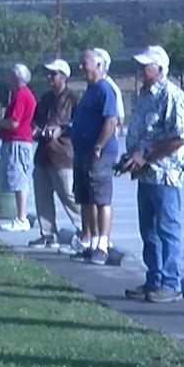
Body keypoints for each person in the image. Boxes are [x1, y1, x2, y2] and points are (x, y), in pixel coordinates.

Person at [120, 45, 184, 303]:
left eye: (145, 66)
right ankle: (154, 279)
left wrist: (146, 155)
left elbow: (179, 138)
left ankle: (171, 284)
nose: (140, 70)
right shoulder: (145, 95)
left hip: (165, 175)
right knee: (148, 230)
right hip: (145, 175)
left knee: (167, 229)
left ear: (160, 69)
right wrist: (132, 156)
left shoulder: (171, 95)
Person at [69, 48, 122, 265]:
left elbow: (111, 120)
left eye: (85, 63)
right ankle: (90, 241)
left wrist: (99, 145)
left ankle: (102, 244)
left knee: (100, 198)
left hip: (99, 153)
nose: (81, 67)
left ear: (99, 66)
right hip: (82, 152)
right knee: (86, 198)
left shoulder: (105, 89)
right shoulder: (90, 90)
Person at [27, 59, 82, 249]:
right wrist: (35, 129)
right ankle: (48, 234)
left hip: (63, 156)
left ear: (64, 76)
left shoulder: (73, 98)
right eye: (48, 74)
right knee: (42, 197)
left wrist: (62, 129)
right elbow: (35, 120)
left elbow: (79, 123)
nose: (49, 78)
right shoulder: (46, 98)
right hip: (43, 154)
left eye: (54, 74)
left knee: (68, 196)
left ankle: (86, 230)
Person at [0, 63, 37, 233]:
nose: (8, 77)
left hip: (18, 142)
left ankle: (21, 218)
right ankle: (20, 216)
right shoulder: (19, 94)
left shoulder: (22, 95)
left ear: (17, 77)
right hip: (16, 141)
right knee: (16, 179)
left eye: (10, 74)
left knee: (19, 178)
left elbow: (14, 123)